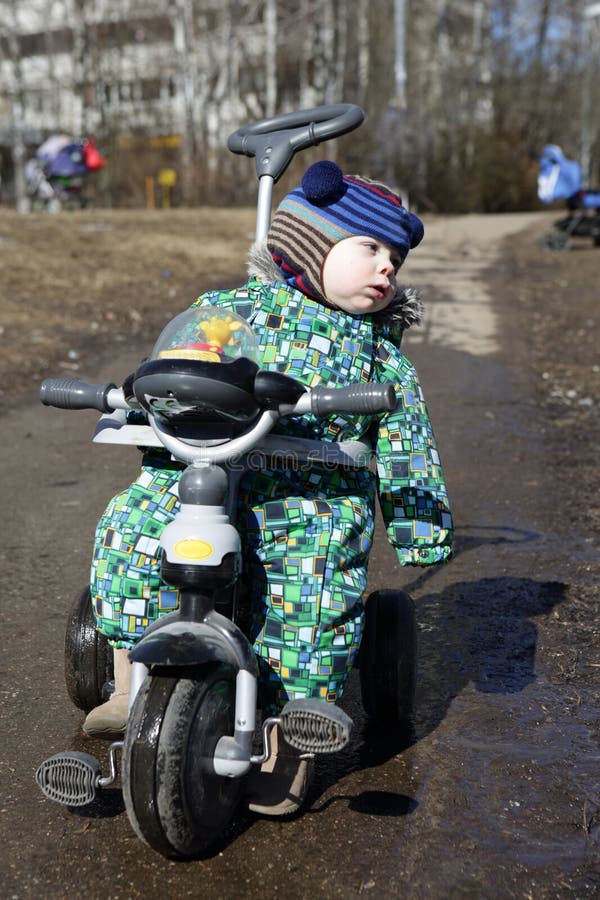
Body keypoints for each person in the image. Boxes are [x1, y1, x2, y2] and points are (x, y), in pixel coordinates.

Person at [84, 160, 454, 814]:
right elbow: (181, 363)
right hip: (205, 468)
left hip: (313, 487)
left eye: (396, 258)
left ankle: (289, 734)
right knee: (132, 530)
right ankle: (129, 676)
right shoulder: (227, 310)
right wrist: (143, 406)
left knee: (309, 589)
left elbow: (407, 442)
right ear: (310, 245)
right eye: (369, 247)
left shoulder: (378, 354)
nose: (387, 267)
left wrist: (419, 524)